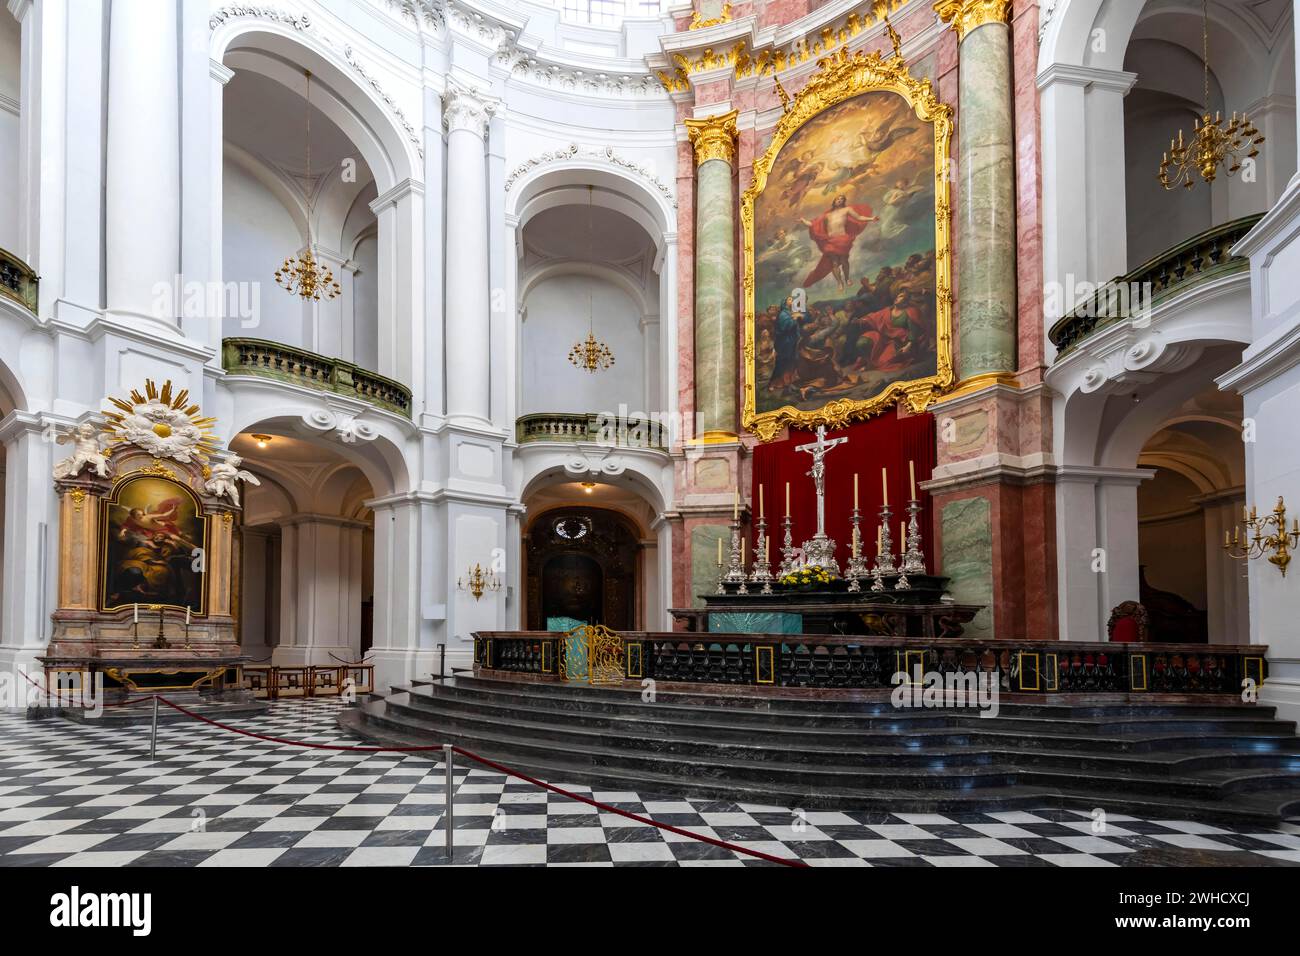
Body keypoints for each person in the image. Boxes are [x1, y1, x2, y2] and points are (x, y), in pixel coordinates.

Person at [801, 194, 877, 292]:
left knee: (844, 260)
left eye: (842, 199)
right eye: (838, 199)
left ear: (843, 202)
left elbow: (859, 217)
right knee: (834, 263)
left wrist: (871, 219)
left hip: (842, 240)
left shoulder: (847, 210)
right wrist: (803, 221)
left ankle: (847, 278)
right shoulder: (827, 215)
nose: (840, 200)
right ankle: (839, 282)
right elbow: (813, 224)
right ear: (834, 201)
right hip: (830, 241)